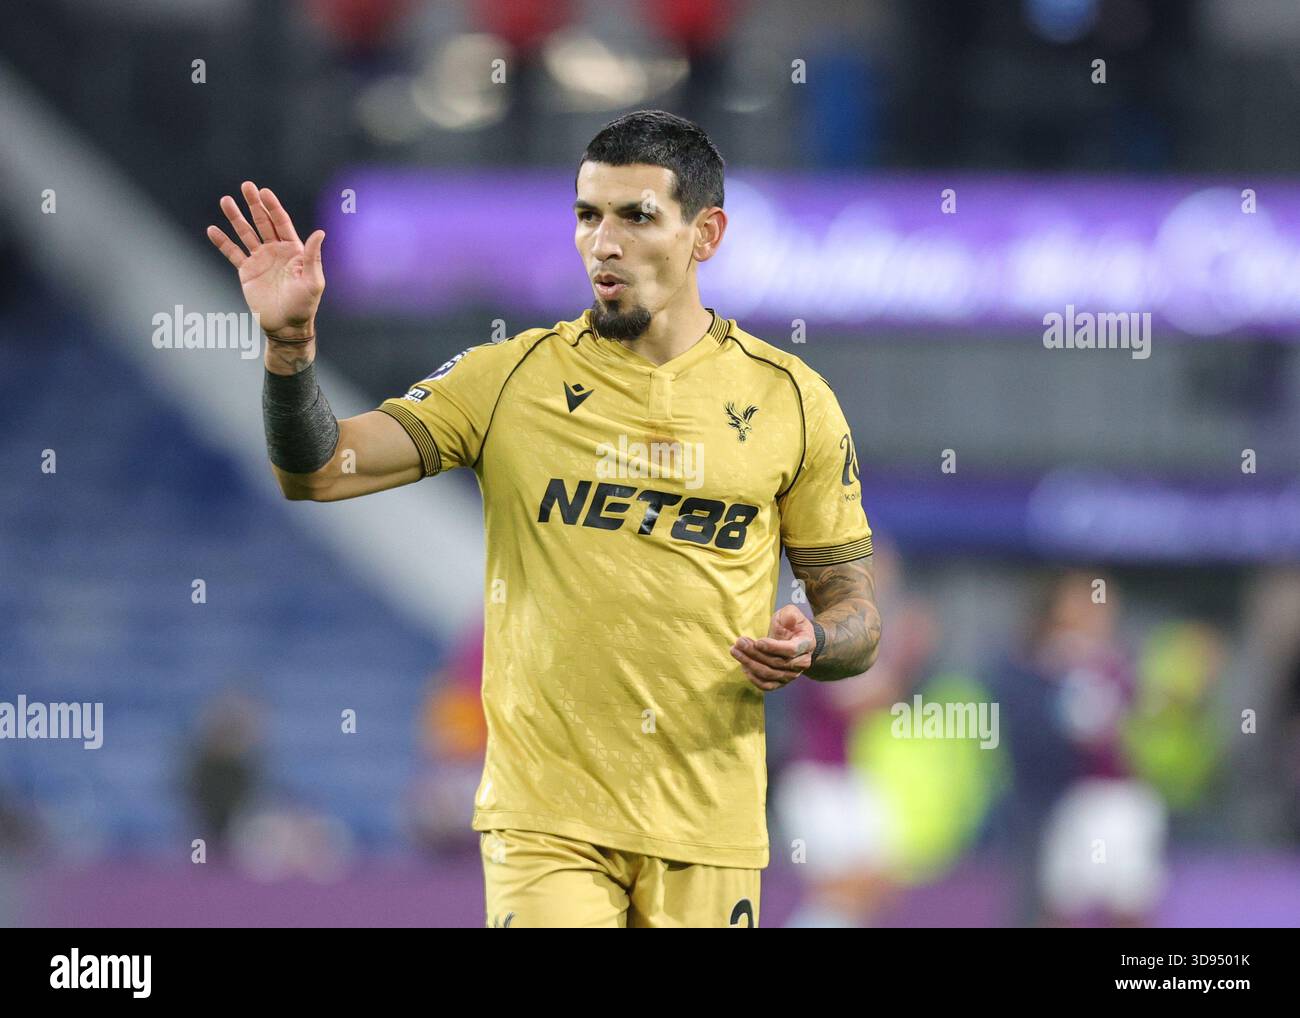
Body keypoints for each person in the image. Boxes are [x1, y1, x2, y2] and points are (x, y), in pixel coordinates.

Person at [206, 109, 882, 927]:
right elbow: (318, 470)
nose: (605, 242)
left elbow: (854, 612)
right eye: (588, 215)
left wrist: (815, 643)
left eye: (637, 217)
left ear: (706, 233)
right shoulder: (508, 380)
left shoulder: (794, 403)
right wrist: (288, 353)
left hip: (710, 825)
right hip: (546, 821)